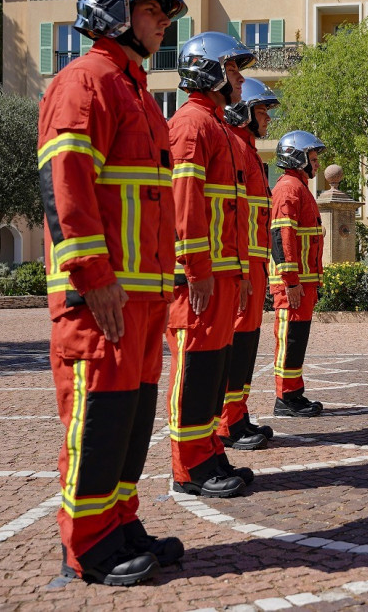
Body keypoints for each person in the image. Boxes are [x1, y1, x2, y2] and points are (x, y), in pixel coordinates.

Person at [40, 0, 187, 586]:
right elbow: (65, 185)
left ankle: (120, 523)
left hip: (143, 296)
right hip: (102, 294)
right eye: (152, 10)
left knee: (130, 421)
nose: (162, 23)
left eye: (163, 13)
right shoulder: (85, 82)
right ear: (114, 12)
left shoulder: (137, 92)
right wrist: (93, 275)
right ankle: (88, 547)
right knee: (99, 420)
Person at [167, 32, 256, 498]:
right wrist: (197, 269)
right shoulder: (191, 125)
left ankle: (208, 450)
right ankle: (189, 467)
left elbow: (231, 214)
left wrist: (238, 273)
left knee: (214, 368)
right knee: (196, 369)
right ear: (209, 71)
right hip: (200, 279)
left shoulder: (216, 125)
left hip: (222, 275)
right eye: (234, 68)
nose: (239, 79)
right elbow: (185, 204)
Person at [217, 79, 280, 448]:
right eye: (261, 111)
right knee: (237, 342)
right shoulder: (236, 148)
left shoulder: (248, 150)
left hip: (253, 263)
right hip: (243, 264)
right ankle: (227, 423)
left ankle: (238, 415)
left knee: (247, 343)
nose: (268, 118)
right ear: (242, 113)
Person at [269, 131, 326, 416]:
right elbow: (282, 237)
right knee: (290, 338)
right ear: (297, 158)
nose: (317, 164)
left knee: (297, 339)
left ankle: (293, 392)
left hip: (302, 282)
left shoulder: (299, 187)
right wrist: (291, 281)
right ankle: (285, 398)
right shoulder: (289, 188)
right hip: (293, 283)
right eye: (312, 159)